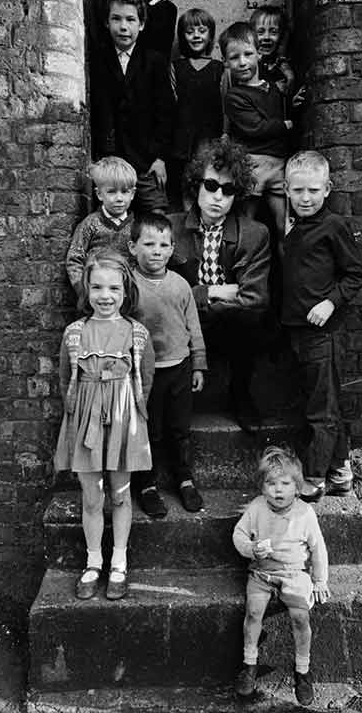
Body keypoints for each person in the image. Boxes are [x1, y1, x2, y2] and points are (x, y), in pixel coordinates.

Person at [54, 249, 155, 601]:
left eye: (113, 288)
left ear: (126, 290)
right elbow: (67, 376)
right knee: (92, 497)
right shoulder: (75, 333)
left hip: (123, 420)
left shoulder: (136, 333)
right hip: (86, 421)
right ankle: (93, 560)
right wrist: (88, 408)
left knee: (120, 494)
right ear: (87, 290)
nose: (105, 296)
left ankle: (119, 562)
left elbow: (147, 377)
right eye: (97, 287)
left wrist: (124, 409)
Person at [168, 136, 271, 433]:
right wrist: (214, 291)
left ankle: (240, 393)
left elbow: (255, 298)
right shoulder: (171, 227)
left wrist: (195, 296)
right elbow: (157, 290)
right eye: (211, 186)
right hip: (185, 324)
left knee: (249, 320)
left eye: (228, 190)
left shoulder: (255, 234)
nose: (218, 197)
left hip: (228, 324)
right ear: (196, 185)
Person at [282, 151, 362, 500]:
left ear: (328, 188)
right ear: (286, 190)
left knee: (322, 408)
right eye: (298, 190)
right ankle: (341, 470)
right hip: (298, 331)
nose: (306, 198)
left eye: (313, 190)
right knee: (324, 400)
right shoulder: (295, 227)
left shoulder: (334, 226)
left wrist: (330, 302)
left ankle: (315, 478)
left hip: (323, 333)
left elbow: (356, 274)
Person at [232, 446, 329, 705]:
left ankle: (303, 670)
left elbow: (318, 547)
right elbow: (238, 535)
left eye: (285, 483)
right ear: (262, 488)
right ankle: (249, 665)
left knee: (300, 617)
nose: (278, 489)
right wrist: (251, 549)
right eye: (271, 483)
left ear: (297, 487)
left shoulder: (304, 513)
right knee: (253, 611)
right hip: (262, 572)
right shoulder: (256, 508)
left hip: (294, 572)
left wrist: (320, 580)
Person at [129, 212, 207, 518]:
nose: (157, 250)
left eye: (164, 244)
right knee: (149, 430)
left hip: (179, 368)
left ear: (173, 248)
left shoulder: (180, 285)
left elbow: (193, 327)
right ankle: (146, 484)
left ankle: (184, 478)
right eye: (148, 243)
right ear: (133, 246)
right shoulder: (128, 283)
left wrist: (198, 364)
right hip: (143, 371)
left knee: (178, 429)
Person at [219, 21, 305, 251]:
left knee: (284, 226)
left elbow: (275, 112)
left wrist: (292, 106)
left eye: (248, 54)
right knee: (247, 225)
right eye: (235, 57)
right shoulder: (234, 97)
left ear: (259, 54)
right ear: (226, 62)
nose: (243, 62)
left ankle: (287, 279)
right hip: (252, 165)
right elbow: (255, 128)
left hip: (278, 164)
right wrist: (285, 125)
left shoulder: (274, 89)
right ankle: (245, 275)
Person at [90, 0, 175, 213]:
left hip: (147, 161)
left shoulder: (154, 61)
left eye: (130, 20)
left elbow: (166, 111)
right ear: (107, 22)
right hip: (112, 161)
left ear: (142, 24)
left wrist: (160, 158)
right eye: (116, 19)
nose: (123, 27)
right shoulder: (98, 59)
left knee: (157, 216)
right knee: (111, 218)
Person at [169, 8, 224, 210]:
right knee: (186, 189)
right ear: (182, 36)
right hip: (182, 140)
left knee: (208, 185)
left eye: (202, 30)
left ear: (210, 35)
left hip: (210, 138)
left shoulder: (219, 68)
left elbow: (226, 105)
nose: (196, 36)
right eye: (190, 31)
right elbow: (171, 103)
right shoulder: (176, 66)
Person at [66, 156, 137, 297]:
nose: (119, 198)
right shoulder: (91, 224)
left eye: (125, 192)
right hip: (96, 295)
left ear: (132, 194)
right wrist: (83, 290)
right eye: (111, 192)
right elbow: (74, 258)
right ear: (99, 194)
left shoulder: (136, 227)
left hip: (126, 295)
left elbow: (140, 261)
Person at [249, 5, 295, 98]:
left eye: (273, 32)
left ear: (281, 36)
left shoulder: (282, 68)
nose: (266, 37)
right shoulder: (248, 65)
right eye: (261, 32)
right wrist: (273, 88)